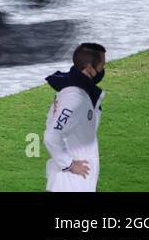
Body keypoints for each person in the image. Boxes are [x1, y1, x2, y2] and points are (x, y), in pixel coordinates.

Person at [43, 43, 107, 192]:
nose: (103, 70)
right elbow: (51, 135)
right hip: (69, 184)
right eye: (102, 65)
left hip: (79, 183)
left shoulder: (80, 93)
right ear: (90, 68)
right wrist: (69, 165)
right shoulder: (74, 98)